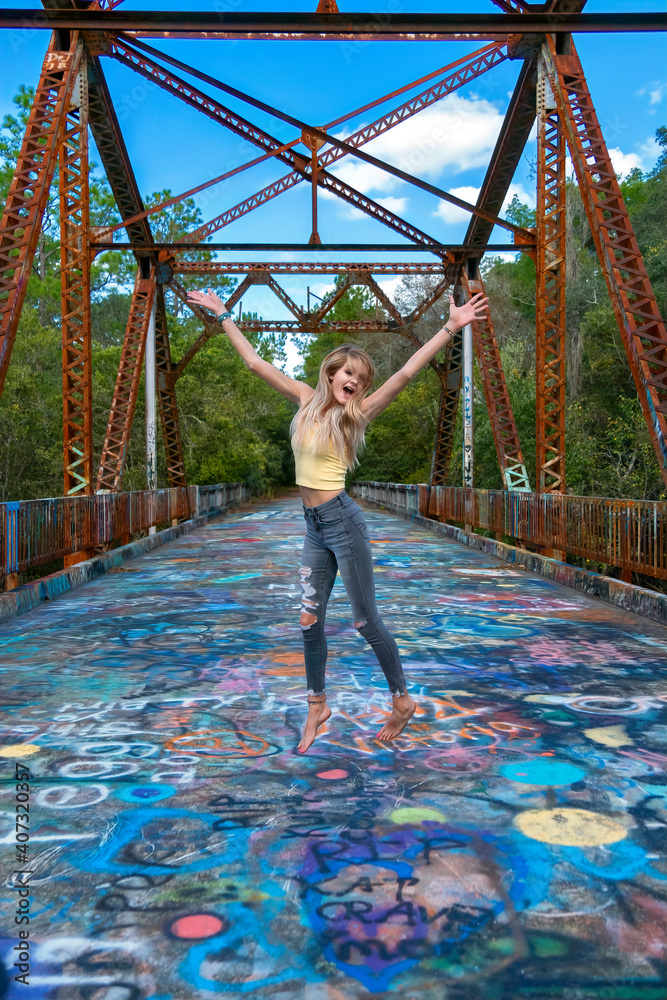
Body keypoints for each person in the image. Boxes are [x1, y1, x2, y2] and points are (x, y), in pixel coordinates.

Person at [186, 286, 489, 752]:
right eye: (350, 373)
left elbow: (406, 373)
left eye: (362, 379)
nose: (356, 382)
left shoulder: (356, 415)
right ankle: (317, 705)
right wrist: (223, 313)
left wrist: (450, 326)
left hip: (342, 523)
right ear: (331, 372)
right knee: (309, 620)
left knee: (365, 621)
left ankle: (402, 700)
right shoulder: (305, 399)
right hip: (313, 526)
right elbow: (255, 363)